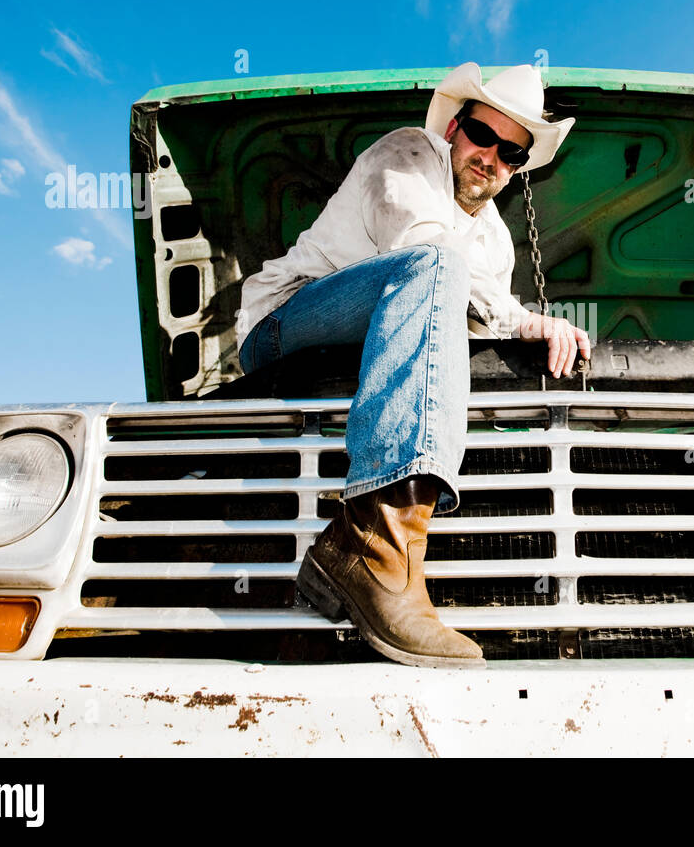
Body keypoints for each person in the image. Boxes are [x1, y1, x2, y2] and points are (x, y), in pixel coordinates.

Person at [235, 62, 590, 668]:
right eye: (483, 136)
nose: (492, 158)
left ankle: (383, 552)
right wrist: (520, 318)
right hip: (285, 324)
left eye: (511, 152)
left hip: (376, 333)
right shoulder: (404, 153)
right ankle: (375, 544)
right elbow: (426, 253)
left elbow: (489, 312)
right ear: (455, 126)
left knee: (446, 285)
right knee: (436, 268)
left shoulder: (496, 239)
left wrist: (535, 320)